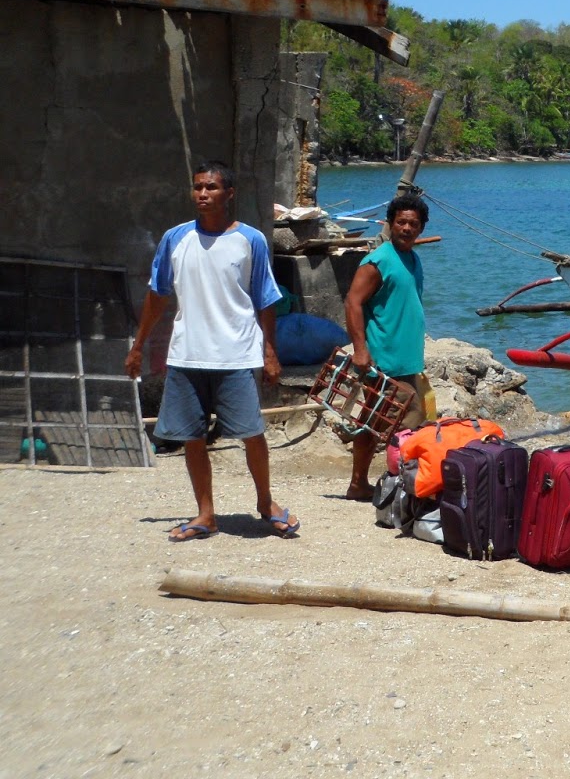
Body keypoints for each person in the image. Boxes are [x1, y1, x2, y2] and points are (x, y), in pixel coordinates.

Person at [125, 161, 299, 542]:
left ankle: (266, 503)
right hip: (187, 354)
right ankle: (206, 514)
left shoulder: (250, 240)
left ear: (229, 194)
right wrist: (138, 345)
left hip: (236, 354)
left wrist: (270, 352)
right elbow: (157, 295)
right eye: (198, 187)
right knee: (192, 436)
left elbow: (266, 300)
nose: (203, 194)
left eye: (212, 188)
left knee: (252, 433)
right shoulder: (175, 238)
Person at [342, 193, 433, 500]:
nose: (407, 228)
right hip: (383, 358)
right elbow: (353, 302)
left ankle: (360, 483)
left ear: (421, 228)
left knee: (375, 421)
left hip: (406, 359)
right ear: (390, 224)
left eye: (413, 224)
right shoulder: (378, 260)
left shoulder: (412, 257)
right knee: (408, 420)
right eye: (401, 222)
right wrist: (360, 350)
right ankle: (399, 485)